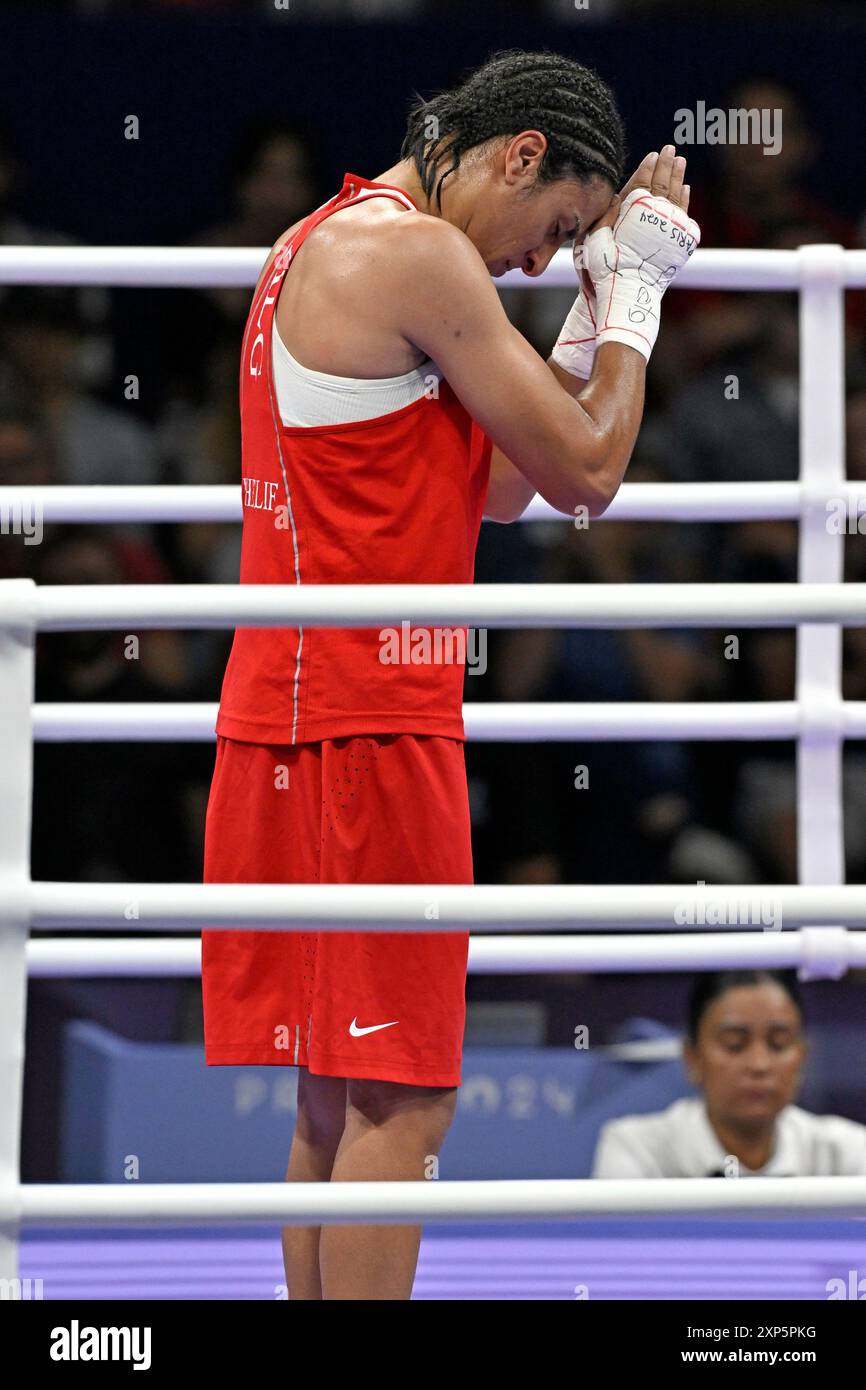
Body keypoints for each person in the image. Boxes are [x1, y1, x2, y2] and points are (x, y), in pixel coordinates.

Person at [200, 48, 699, 1300]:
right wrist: (634, 296)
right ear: (520, 154)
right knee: (404, 1102)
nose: (537, 263)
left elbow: (513, 484)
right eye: (558, 229)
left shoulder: (323, 242)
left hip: (297, 715)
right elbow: (590, 473)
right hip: (364, 722)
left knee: (336, 1098)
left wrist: (591, 304)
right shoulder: (419, 255)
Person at [592, 971, 866, 1177]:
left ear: (802, 1057)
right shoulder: (636, 1150)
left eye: (778, 1044)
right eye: (734, 1044)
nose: (759, 1065)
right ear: (692, 1058)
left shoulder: (847, 1152)